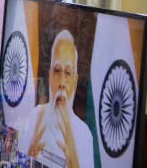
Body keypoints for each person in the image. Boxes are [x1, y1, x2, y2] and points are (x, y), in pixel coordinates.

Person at [21, 29, 94, 168]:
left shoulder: (84, 135)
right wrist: (28, 157)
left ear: (75, 82)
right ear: (49, 76)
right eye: (57, 70)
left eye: (68, 73)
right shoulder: (36, 116)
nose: (62, 82)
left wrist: (74, 163)